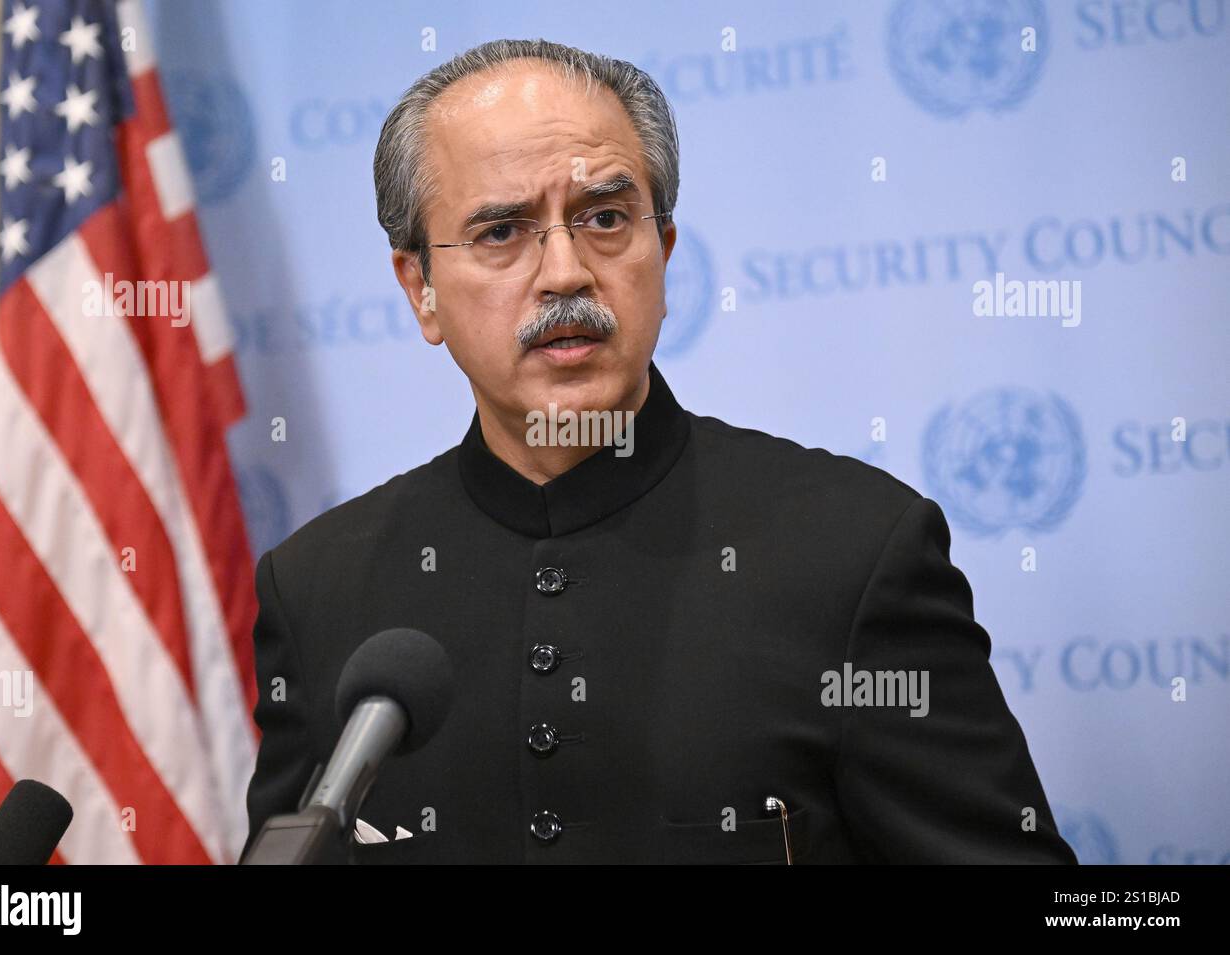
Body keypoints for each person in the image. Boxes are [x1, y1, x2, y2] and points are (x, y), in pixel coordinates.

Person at [241, 38, 1076, 864]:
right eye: (502, 231)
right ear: (420, 289)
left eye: (605, 218)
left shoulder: (855, 549)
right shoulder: (317, 588)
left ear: (664, 255)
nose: (565, 271)